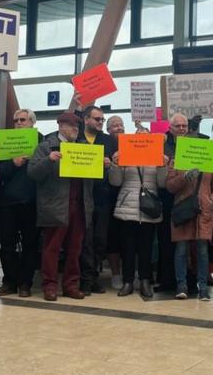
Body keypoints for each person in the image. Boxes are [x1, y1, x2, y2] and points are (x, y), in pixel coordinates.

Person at [28, 113, 95, 301]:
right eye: (72, 125)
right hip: (56, 206)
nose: (76, 129)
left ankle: (71, 285)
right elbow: (32, 173)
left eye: (78, 126)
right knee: (52, 248)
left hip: (80, 205)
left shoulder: (85, 148)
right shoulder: (45, 147)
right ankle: (49, 285)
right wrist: (48, 160)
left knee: (75, 248)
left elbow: (93, 178)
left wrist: (103, 166)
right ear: (60, 126)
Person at [109, 128, 169, 298]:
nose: (142, 141)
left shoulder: (157, 157)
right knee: (127, 247)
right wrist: (116, 164)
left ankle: (144, 280)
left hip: (148, 209)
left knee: (146, 248)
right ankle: (128, 281)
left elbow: (162, 184)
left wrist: (162, 166)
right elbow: (115, 182)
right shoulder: (124, 155)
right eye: (139, 138)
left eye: (146, 138)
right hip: (127, 207)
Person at [0, 109, 42, 297]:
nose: (19, 123)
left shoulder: (42, 141)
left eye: (23, 119)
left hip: (32, 201)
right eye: (16, 120)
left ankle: (25, 283)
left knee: (30, 245)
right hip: (9, 202)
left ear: (32, 122)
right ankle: (9, 282)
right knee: (7, 245)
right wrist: (13, 163)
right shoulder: (5, 142)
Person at [166, 156, 213, 301]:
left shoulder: (208, 162)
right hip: (183, 211)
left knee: (202, 250)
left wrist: (212, 200)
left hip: (203, 211)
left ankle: (203, 288)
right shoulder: (176, 161)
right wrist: (184, 177)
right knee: (181, 250)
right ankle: (181, 286)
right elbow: (170, 186)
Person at [76, 105, 115, 295]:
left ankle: (93, 276)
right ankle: (85, 279)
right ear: (86, 119)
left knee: (100, 239)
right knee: (84, 239)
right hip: (80, 196)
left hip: (102, 196)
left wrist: (111, 163)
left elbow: (117, 165)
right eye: (97, 119)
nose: (100, 122)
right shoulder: (77, 139)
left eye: (102, 119)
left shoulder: (108, 140)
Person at [155, 113, 192, 292]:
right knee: (166, 240)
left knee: (188, 242)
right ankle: (166, 280)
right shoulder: (161, 144)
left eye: (184, 126)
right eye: (177, 126)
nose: (181, 129)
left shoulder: (195, 145)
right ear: (170, 128)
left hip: (188, 199)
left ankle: (189, 281)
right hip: (167, 198)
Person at [105, 115, 124, 290]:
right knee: (112, 238)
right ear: (108, 129)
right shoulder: (105, 144)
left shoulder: (133, 143)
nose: (119, 128)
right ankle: (116, 274)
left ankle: (131, 273)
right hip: (109, 197)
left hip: (131, 196)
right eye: (114, 126)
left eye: (121, 125)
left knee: (130, 238)